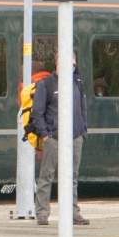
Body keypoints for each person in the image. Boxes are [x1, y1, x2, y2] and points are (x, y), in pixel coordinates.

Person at [30, 62, 88, 225]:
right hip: (54, 138)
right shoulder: (46, 84)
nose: (72, 66)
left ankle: (73, 213)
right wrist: (45, 135)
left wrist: (83, 131)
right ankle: (42, 214)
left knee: (73, 177)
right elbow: (37, 112)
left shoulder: (77, 83)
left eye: (74, 64)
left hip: (75, 136)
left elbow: (83, 108)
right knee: (46, 175)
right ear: (58, 63)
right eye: (69, 63)